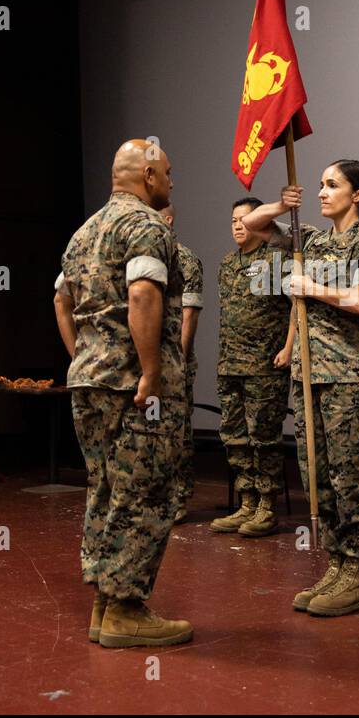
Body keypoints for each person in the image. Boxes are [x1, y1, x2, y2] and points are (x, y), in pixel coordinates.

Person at [240, 160, 359, 617]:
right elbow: (251, 224)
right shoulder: (311, 240)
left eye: (332, 185)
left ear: (357, 195)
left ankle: (358, 572)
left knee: (350, 477)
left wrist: (311, 287)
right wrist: (279, 205)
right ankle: (337, 563)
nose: (321, 192)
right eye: (320, 185)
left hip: (351, 377)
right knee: (317, 476)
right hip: (308, 376)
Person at [60, 138, 192, 648]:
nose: (173, 182)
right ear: (150, 177)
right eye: (169, 173)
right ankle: (127, 611)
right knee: (146, 492)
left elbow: (63, 302)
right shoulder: (145, 227)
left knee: (106, 489)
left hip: (89, 380)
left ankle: (104, 601)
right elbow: (142, 295)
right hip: (133, 388)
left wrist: (83, 358)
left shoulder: (82, 234)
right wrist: (151, 372)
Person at [209, 196, 294, 538]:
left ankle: (267, 507)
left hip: (265, 365)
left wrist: (288, 349)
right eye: (233, 220)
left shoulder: (275, 260)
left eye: (244, 219)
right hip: (230, 364)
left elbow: (295, 309)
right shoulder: (228, 264)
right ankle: (246, 502)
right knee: (234, 436)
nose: (238, 226)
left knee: (263, 436)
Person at [159, 205, 202, 524]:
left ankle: (178, 497)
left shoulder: (183, 258)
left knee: (177, 430)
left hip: (174, 360)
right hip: (145, 361)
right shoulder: (144, 257)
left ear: (168, 220)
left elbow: (189, 314)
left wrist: (181, 359)